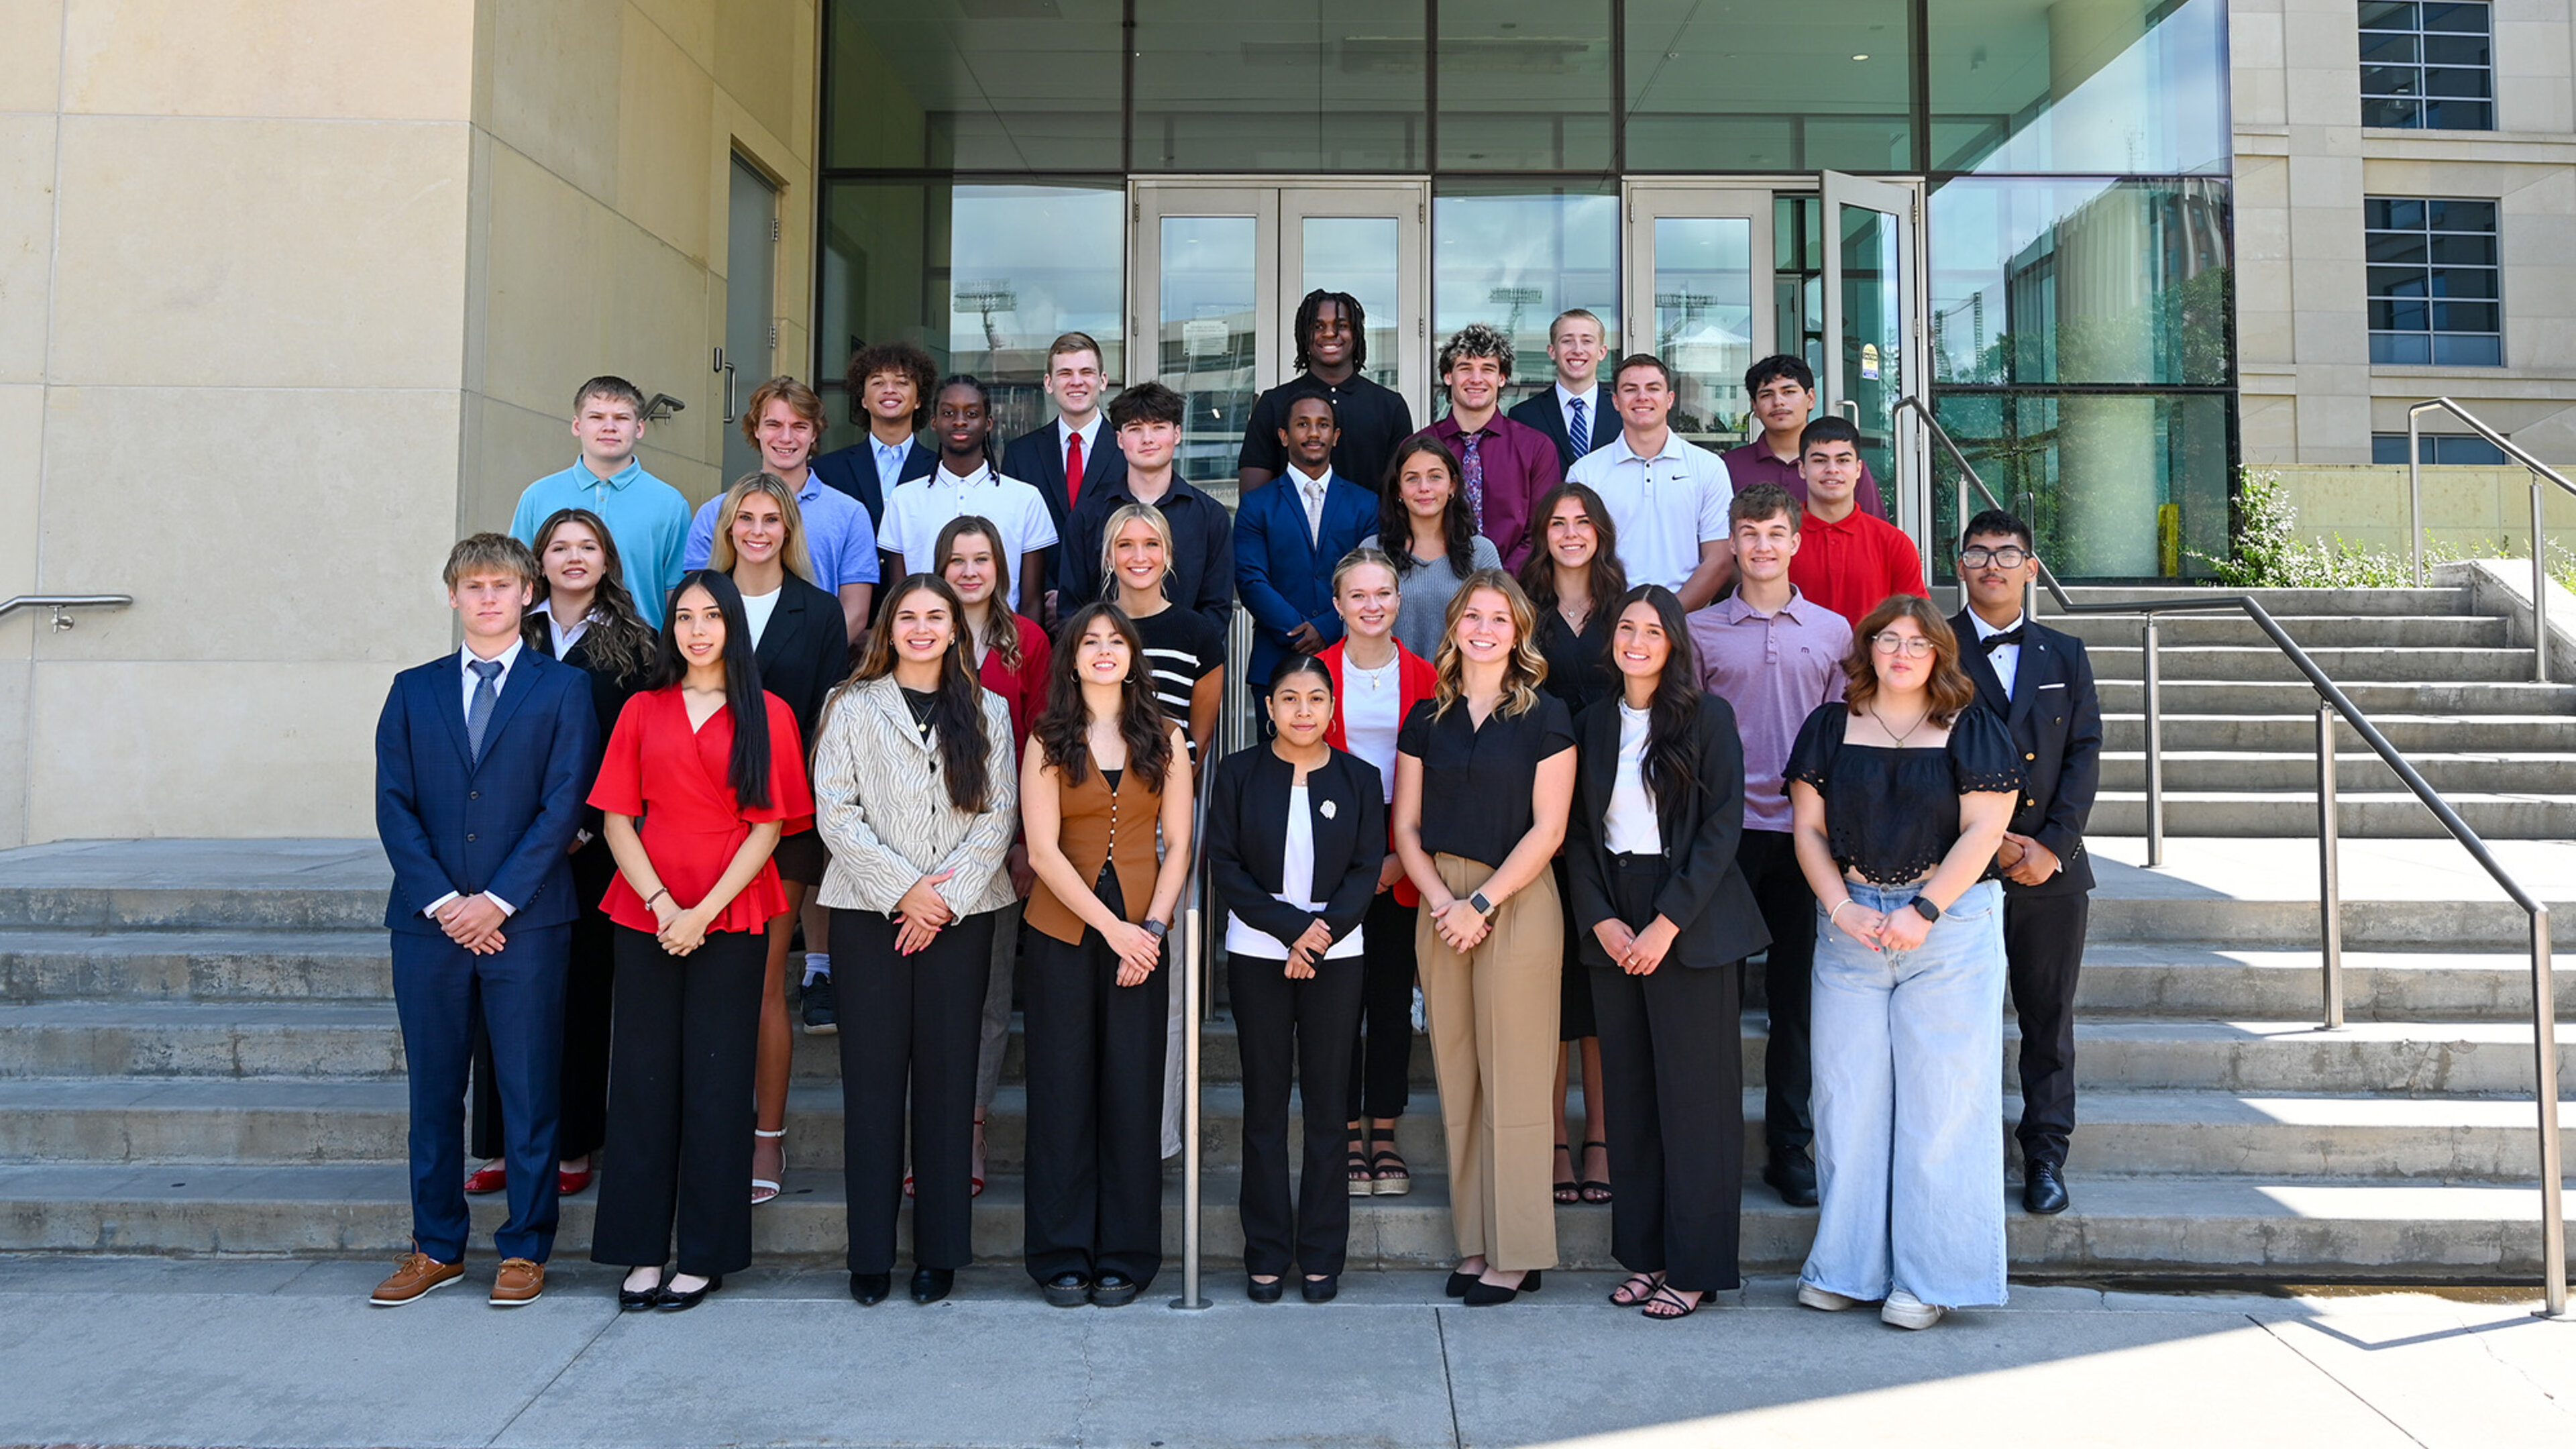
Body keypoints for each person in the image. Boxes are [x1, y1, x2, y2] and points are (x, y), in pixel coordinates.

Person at [370, 535, 597, 1309]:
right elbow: (394, 807)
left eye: (503, 585)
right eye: (475, 586)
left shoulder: (562, 690)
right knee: (433, 1095)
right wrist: (446, 904)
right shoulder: (412, 689)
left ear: (529, 593)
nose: (490, 598)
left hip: (526, 922)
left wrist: (495, 901)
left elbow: (562, 804)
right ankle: (436, 1246)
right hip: (427, 925)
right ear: (454, 596)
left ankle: (526, 1248)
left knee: (530, 1091)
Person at [1786, 595, 2020, 1331]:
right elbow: (1808, 830)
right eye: (1888, 639)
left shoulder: (1971, 727)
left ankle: (1931, 1278)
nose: (1901, 653)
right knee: (1846, 1101)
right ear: (1868, 648)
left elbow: (1985, 831)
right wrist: (1840, 907)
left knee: (1943, 1107)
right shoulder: (1829, 726)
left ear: (1939, 654)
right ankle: (1846, 1267)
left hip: (1947, 932)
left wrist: (1924, 911)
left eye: (1917, 643)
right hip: (1850, 925)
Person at [589, 570, 813, 1312]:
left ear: (731, 628)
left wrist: (701, 912)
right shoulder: (641, 709)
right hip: (644, 908)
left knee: (718, 1088)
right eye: (684, 617)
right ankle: (642, 1250)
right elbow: (618, 817)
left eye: (712, 617)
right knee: (644, 1084)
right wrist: (661, 903)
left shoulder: (768, 712)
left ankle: (706, 1252)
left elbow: (769, 825)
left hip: (733, 909)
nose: (697, 630)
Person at [810, 576, 1020, 1307]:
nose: (924, 628)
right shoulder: (850, 707)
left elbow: (999, 819)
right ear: (888, 630)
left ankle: (940, 1252)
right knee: (870, 1087)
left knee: (946, 1084)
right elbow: (834, 812)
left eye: (937, 616)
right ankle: (869, 1252)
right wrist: (905, 890)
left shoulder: (989, 709)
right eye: (910, 617)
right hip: (870, 915)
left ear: (956, 630)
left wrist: (943, 899)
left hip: (961, 920)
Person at [1565, 585, 1769, 1320]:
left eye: (1654, 629)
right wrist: (1602, 922)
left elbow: (1722, 831)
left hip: (1692, 917)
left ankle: (1695, 1267)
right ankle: (1645, 1258)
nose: (1638, 640)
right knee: (1630, 1100)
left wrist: (1664, 924)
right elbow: (1578, 836)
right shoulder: (1589, 723)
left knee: (1696, 1103)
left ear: (1676, 642)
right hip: (1612, 911)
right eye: (1627, 628)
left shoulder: (1707, 719)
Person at [460, 511, 655, 1205]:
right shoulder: (512, 633)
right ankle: (507, 1145)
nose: (575, 558)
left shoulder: (638, 646)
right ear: (538, 563)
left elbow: (637, 753)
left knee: (576, 1000)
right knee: (500, 998)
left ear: (608, 560)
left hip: (598, 851)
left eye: (589, 547)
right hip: (508, 854)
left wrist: (589, 830)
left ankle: (572, 1142)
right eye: (560, 547)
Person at [1393, 572, 1577, 1306]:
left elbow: (1551, 829)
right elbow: (1405, 827)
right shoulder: (1423, 717)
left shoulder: (1548, 716)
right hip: (1441, 906)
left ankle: (1520, 1249)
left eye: (1500, 618)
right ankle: (1477, 1240)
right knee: (1460, 1075)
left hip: (1518, 899)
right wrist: (1444, 902)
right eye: (1474, 615)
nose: (1485, 629)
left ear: (1519, 632)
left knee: (1518, 1078)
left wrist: (1481, 902)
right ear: (1455, 626)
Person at [1018, 604, 1195, 1307]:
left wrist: (1149, 929)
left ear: (1132, 656)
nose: (1102, 651)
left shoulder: (1167, 737)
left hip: (1143, 943)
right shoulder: (1046, 740)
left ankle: (1126, 1253)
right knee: (1061, 1093)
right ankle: (1061, 1253)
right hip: (1064, 936)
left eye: (1114, 642)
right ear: (1071, 658)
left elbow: (1180, 844)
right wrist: (1113, 929)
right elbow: (1041, 852)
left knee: (1132, 1092)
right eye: (1089, 641)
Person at [1688, 483, 1852, 1209]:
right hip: (1726, 839)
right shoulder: (1700, 632)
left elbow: (1846, 738)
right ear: (1734, 544)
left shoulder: (1833, 631)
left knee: (1795, 1004)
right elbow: (1684, 741)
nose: (1760, 547)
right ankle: (1711, 1141)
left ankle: (1790, 1147)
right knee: (1714, 1001)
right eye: (1748, 534)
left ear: (1795, 542)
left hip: (1803, 838)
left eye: (1774, 534)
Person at [1206, 656, 1386, 1303]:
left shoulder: (1360, 779)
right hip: (1259, 952)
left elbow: (1367, 869)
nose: (1303, 711)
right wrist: (1290, 931)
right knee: (1263, 1108)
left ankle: (1319, 1256)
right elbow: (1225, 864)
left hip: (1338, 957)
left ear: (1332, 709)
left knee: (1328, 1109)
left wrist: (1320, 935)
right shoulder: (1239, 773)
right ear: (1270, 708)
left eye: (1315, 698)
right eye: (1290, 698)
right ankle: (1265, 1252)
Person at [702, 474, 850, 1206]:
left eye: (771, 518)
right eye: (745, 518)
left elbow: (825, 716)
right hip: (695, 817)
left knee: (761, 982)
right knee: (703, 988)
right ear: (728, 526)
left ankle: (767, 1137)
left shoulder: (818, 611)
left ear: (788, 528)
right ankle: (706, 1133)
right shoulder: (701, 599)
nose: (757, 530)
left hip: (784, 817)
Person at [1950, 510, 2101, 1217]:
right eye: (1978, 553)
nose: (1993, 566)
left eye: (2007, 554)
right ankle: (1962, 1155)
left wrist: (2054, 846)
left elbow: (2084, 752)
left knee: (2047, 1015)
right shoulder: (1936, 646)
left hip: (2052, 865)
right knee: (1959, 1019)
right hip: (1960, 864)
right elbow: (1921, 751)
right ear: (1960, 566)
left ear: (2032, 568)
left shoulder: (2065, 653)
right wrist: (1997, 840)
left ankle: (2045, 1154)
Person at [1515, 483, 1626, 1208]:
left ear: (1602, 532)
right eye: (1558, 522)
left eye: (1583, 521)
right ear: (1541, 534)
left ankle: (1603, 1139)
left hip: (1618, 813)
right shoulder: (1525, 613)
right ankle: (1554, 1139)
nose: (1571, 532)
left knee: (1603, 987)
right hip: (1539, 813)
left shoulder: (1626, 611)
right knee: (1553, 992)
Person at [937, 517, 1053, 1193]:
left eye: (982, 559)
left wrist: (1026, 844)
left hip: (1000, 845)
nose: (970, 572)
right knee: (928, 998)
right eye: (957, 560)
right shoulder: (918, 628)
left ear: (1001, 567)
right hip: (922, 850)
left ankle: (971, 1128)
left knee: (987, 995)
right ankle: (929, 1129)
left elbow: (1041, 740)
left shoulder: (1027, 642)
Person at [1318, 548, 1436, 1198]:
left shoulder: (1426, 676)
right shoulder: (1314, 674)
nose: (1371, 606)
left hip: (1403, 852)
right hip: (1331, 851)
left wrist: (1396, 861)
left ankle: (1383, 1131)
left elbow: (1439, 778)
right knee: (1336, 1001)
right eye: (1357, 595)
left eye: (1382, 594)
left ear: (1398, 601)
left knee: (1389, 997)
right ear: (1338, 605)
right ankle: (1338, 1126)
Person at [683, 376, 880, 641]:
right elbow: (698, 601)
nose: (786, 437)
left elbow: (854, 612)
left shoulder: (850, 514)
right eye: (773, 425)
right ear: (756, 430)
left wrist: (811, 660)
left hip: (812, 671)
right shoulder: (715, 513)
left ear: (814, 434)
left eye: (799, 426)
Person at [509, 376, 691, 627]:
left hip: (640, 654)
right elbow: (516, 580)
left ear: (639, 428)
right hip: (549, 653)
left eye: (621, 418)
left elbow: (676, 593)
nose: (609, 427)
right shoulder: (538, 496)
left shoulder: (670, 504)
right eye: (596, 417)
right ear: (577, 426)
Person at [1235, 393, 1377, 713]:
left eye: (1323, 425)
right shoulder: (1257, 505)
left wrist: (1327, 627)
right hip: (1275, 660)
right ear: (1284, 436)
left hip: (1348, 658)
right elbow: (1250, 580)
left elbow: (1369, 578)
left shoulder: (1366, 504)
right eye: (1303, 424)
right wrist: (1299, 633)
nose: (1314, 433)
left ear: (1335, 436)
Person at [1062, 381, 1236, 634]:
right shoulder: (1088, 516)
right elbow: (1072, 609)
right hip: (1106, 664)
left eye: (1158, 427)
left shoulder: (1210, 517)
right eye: (1135, 429)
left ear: (1177, 434)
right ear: (1120, 439)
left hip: (1186, 665)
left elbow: (1216, 608)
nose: (1148, 439)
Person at [879, 375, 1057, 616]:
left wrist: (1021, 653)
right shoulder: (904, 499)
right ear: (934, 422)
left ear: (989, 423)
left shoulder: (1026, 499)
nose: (960, 422)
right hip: (927, 641)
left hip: (1001, 645)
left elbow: (1031, 602)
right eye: (949, 413)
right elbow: (899, 596)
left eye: (972, 414)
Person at [1566, 356, 1733, 610]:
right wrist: (1624, 618)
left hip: (1687, 621)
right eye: (1630, 389)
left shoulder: (1708, 467)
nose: (1642, 397)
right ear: (1615, 402)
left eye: (1653, 388)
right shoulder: (1585, 472)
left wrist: (1669, 616)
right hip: (1609, 620)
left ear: (1670, 400)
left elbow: (1719, 560)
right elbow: (1574, 558)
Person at [1238, 288, 1415, 496]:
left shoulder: (1390, 406)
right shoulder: (1273, 404)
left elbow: (1400, 491)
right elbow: (1253, 500)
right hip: (1289, 529)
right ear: (1305, 334)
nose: (1330, 333)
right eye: (1318, 326)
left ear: (1356, 333)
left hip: (1372, 528)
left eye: (1342, 326)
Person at [1417, 323, 1564, 571]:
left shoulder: (1536, 448)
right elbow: (1406, 524)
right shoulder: (1418, 449)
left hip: (1515, 591)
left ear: (1502, 378)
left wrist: (1499, 584)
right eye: (1465, 368)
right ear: (1448, 376)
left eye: (1487, 369)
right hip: (1434, 588)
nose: (1476, 379)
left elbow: (1542, 530)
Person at [1002, 332, 1128, 622]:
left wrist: (1076, 599)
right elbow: (1012, 536)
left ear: (1103, 381)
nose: (1076, 382)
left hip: (1113, 615)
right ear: (1049, 383)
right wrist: (1045, 595)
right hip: (1038, 615)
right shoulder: (1020, 455)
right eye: (1065, 373)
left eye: (1086, 372)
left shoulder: (1127, 449)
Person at [1359, 437, 1503, 661]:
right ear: (1398, 489)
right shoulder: (1373, 553)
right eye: (1412, 479)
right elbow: (1356, 637)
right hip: (1392, 688)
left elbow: (1499, 632)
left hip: (1462, 689)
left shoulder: (1481, 553)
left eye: (1435, 477)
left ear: (1452, 486)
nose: (1424, 488)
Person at [1099, 502, 1225, 757]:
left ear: (1168, 554)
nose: (1139, 557)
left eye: (1152, 544)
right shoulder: (1088, 632)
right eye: (1125, 545)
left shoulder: (1199, 634)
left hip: (1169, 785)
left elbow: (1199, 741)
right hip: (1094, 787)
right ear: (1109, 557)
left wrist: (1176, 791)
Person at [1785, 416, 1928, 631]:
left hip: (1870, 662)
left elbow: (1915, 619)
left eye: (1843, 460)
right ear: (1802, 468)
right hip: (1794, 662)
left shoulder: (1894, 543)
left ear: (1859, 469)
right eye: (1820, 460)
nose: (1832, 469)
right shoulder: (1780, 538)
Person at [1721, 356, 1888, 521]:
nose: (1778, 402)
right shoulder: (1728, 466)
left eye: (1789, 392)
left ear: (1811, 399)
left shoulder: (1842, 465)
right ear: (1755, 407)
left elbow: (1876, 533)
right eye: (1767, 395)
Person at [812, 342, 938, 529]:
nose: (889, 390)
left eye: (902, 382)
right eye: (878, 382)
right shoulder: (826, 470)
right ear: (863, 399)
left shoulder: (940, 469)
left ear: (919, 400)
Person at [1507, 309, 1616, 472]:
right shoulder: (1523, 417)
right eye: (1567, 341)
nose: (1578, 350)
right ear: (1552, 351)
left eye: (1587, 341)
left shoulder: (1623, 413)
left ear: (1602, 352)